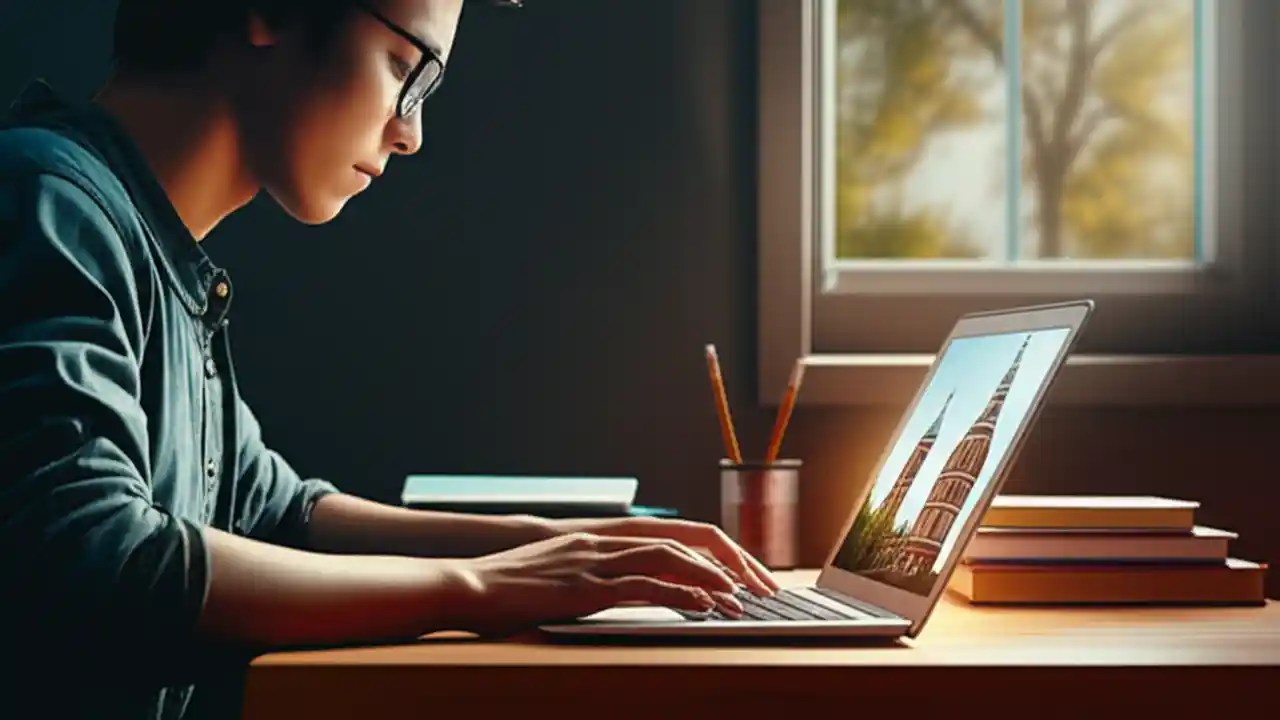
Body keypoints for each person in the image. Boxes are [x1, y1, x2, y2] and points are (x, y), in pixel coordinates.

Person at [0, 1, 780, 718]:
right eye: (407, 68)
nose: (410, 132)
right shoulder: (45, 204)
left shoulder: (149, 252)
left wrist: (557, 545)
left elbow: (279, 515)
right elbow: (100, 556)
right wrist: (474, 589)